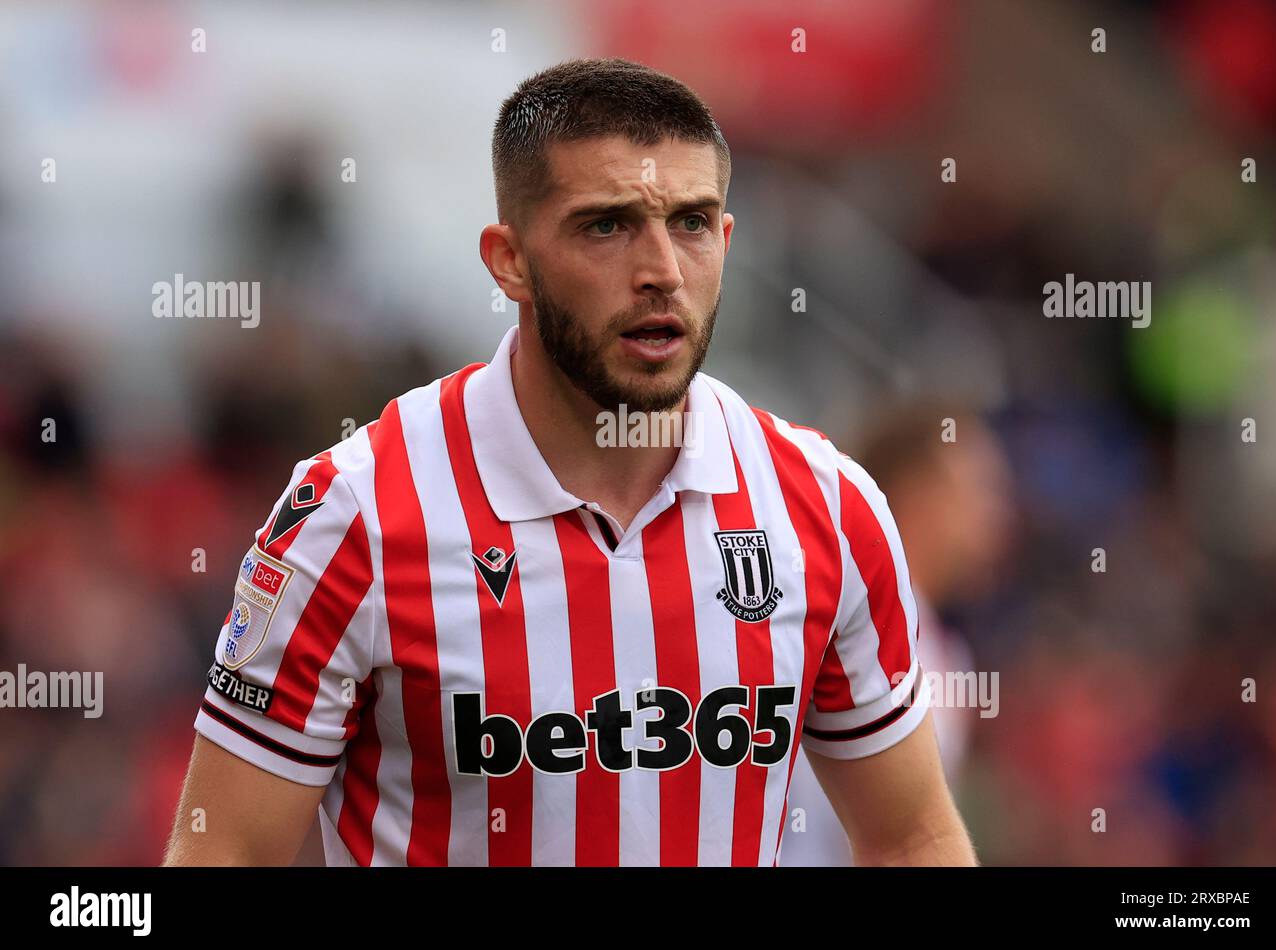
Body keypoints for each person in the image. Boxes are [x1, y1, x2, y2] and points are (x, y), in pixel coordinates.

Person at [163, 58, 975, 867]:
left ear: (726, 239)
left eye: (691, 222)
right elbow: (222, 852)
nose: (661, 271)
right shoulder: (352, 516)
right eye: (607, 225)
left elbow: (914, 838)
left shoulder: (825, 507)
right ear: (508, 260)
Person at [779, 405, 1014, 865]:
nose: (999, 515)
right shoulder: (829, 623)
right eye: (981, 491)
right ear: (918, 493)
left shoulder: (947, 651)